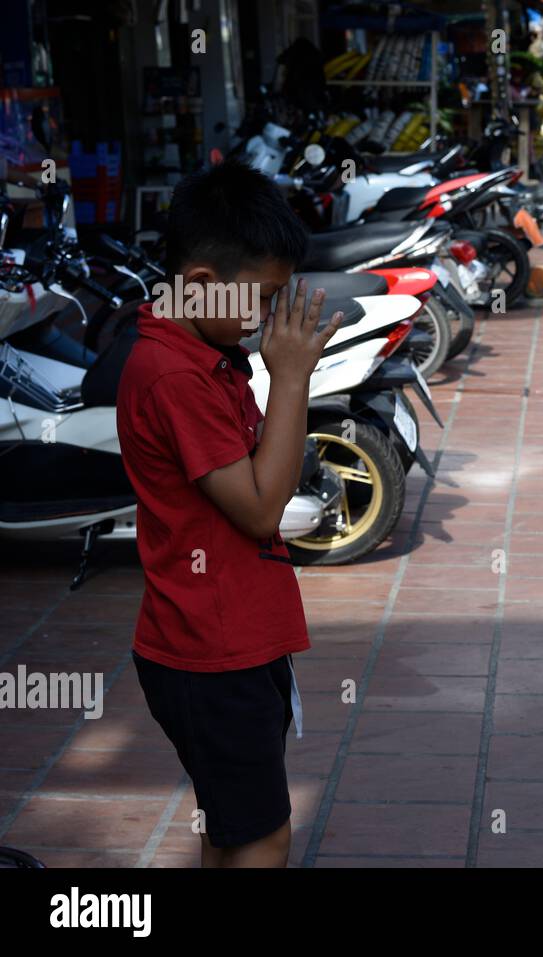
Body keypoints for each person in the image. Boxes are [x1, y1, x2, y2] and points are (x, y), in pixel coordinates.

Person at [117, 161, 342, 867]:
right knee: (263, 837)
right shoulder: (175, 373)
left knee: (234, 830)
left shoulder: (200, 351)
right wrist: (295, 376)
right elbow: (259, 507)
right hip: (209, 651)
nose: (267, 319)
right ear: (206, 284)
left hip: (228, 637)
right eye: (263, 299)